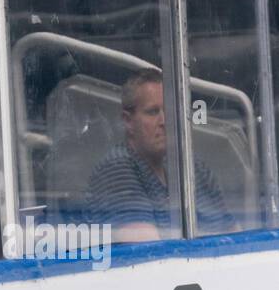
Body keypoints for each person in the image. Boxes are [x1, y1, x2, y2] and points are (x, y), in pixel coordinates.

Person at [85, 69, 235, 242]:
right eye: (152, 112)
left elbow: (235, 234)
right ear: (128, 121)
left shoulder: (193, 166)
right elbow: (149, 252)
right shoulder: (117, 169)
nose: (164, 121)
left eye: (169, 110)